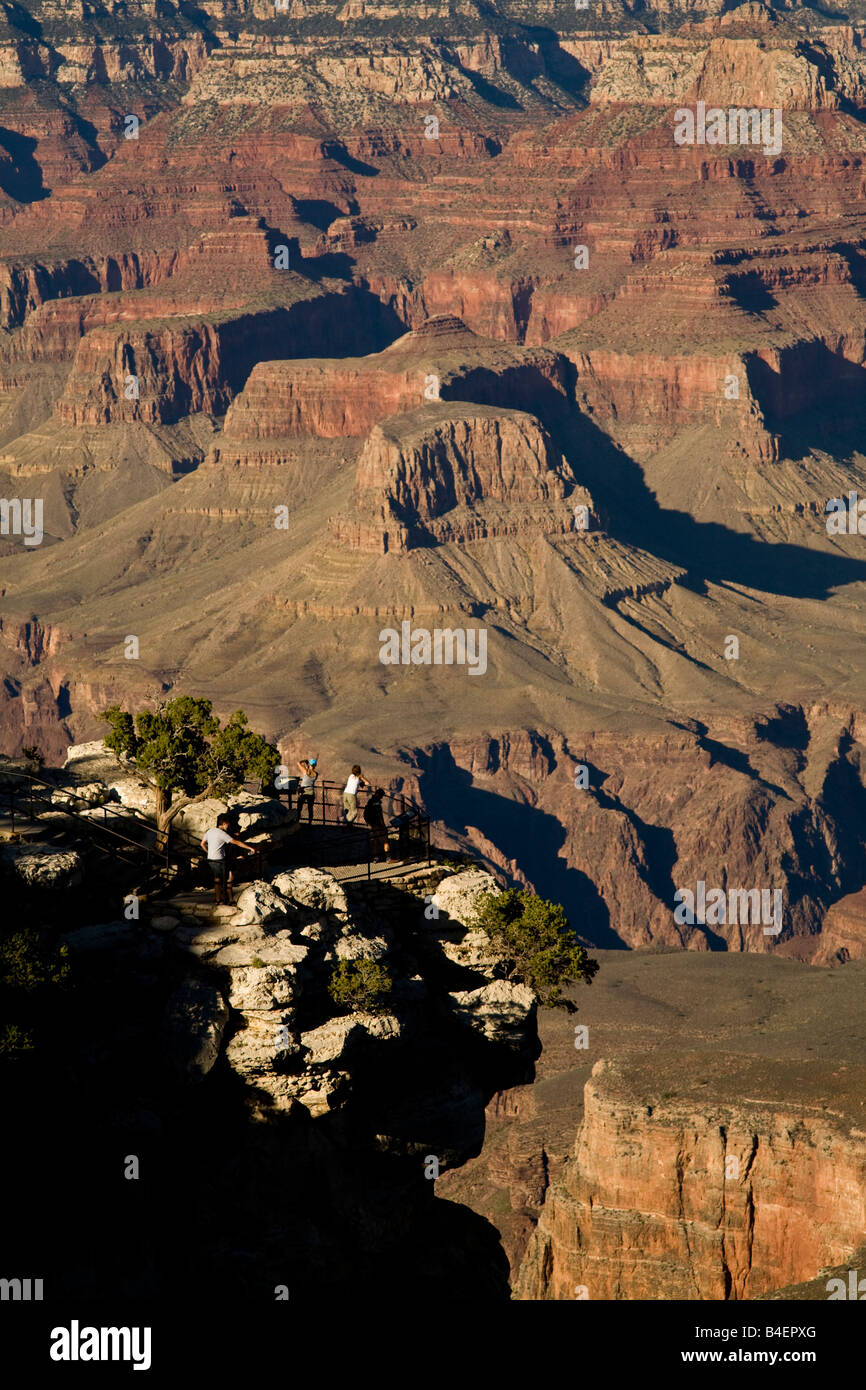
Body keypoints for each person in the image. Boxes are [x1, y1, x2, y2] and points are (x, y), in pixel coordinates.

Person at [201, 813, 254, 906]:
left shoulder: (210, 831)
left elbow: (202, 844)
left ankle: (220, 899)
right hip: (220, 860)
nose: (228, 826)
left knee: (217, 879)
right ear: (224, 823)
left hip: (211, 859)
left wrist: (208, 852)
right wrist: (250, 848)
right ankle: (221, 899)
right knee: (221, 880)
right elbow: (236, 842)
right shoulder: (222, 834)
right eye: (227, 824)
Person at [363, 788, 390, 862]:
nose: (382, 797)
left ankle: (375, 858)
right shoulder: (376, 803)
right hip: (377, 824)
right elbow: (379, 815)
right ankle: (388, 858)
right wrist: (383, 826)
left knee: (376, 840)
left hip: (372, 823)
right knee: (385, 840)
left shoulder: (370, 801)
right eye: (381, 796)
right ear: (378, 795)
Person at [297, 757, 318, 824]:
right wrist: (308, 765)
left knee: (299, 808)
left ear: (309, 764)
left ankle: (297, 821)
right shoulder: (316, 774)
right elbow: (311, 772)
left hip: (304, 792)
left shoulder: (305, 771)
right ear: (315, 765)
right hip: (311, 792)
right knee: (310, 809)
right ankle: (310, 823)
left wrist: (304, 761)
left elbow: (298, 763)